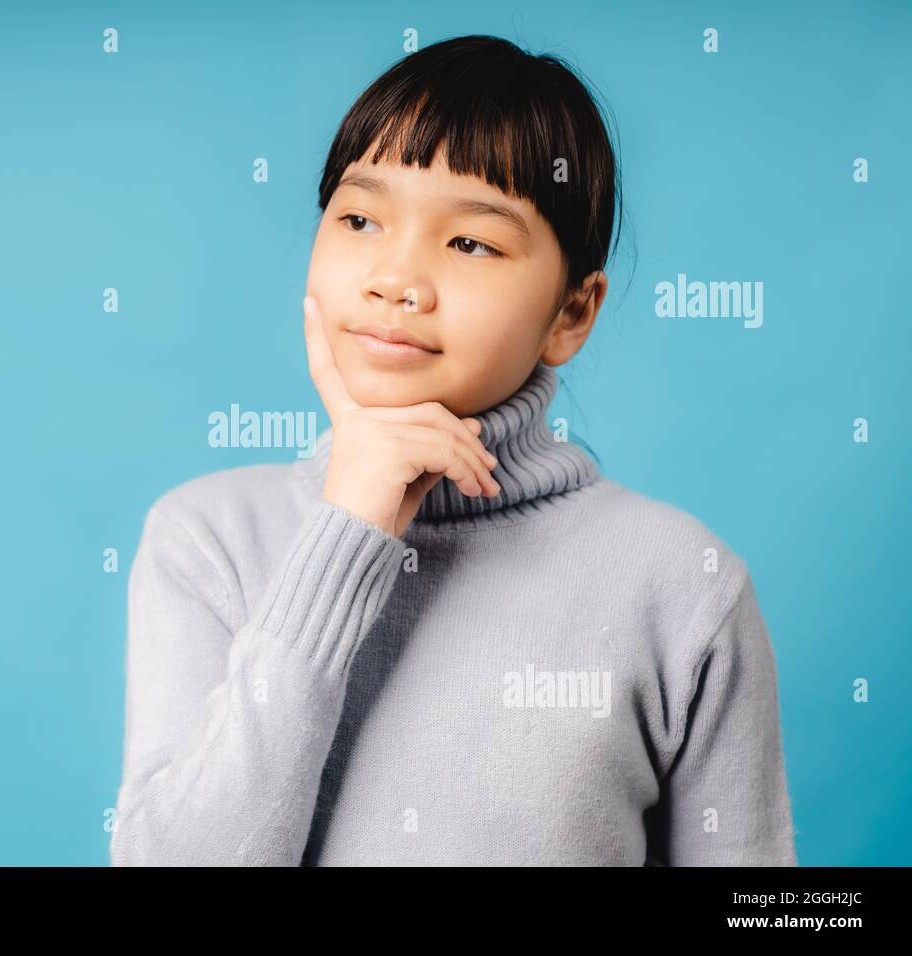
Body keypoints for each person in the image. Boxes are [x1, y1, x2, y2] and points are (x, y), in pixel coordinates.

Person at [110, 34, 797, 866]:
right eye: (360, 219)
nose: (396, 278)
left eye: (470, 243)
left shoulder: (682, 584)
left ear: (571, 314)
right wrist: (347, 529)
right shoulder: (207, 537)